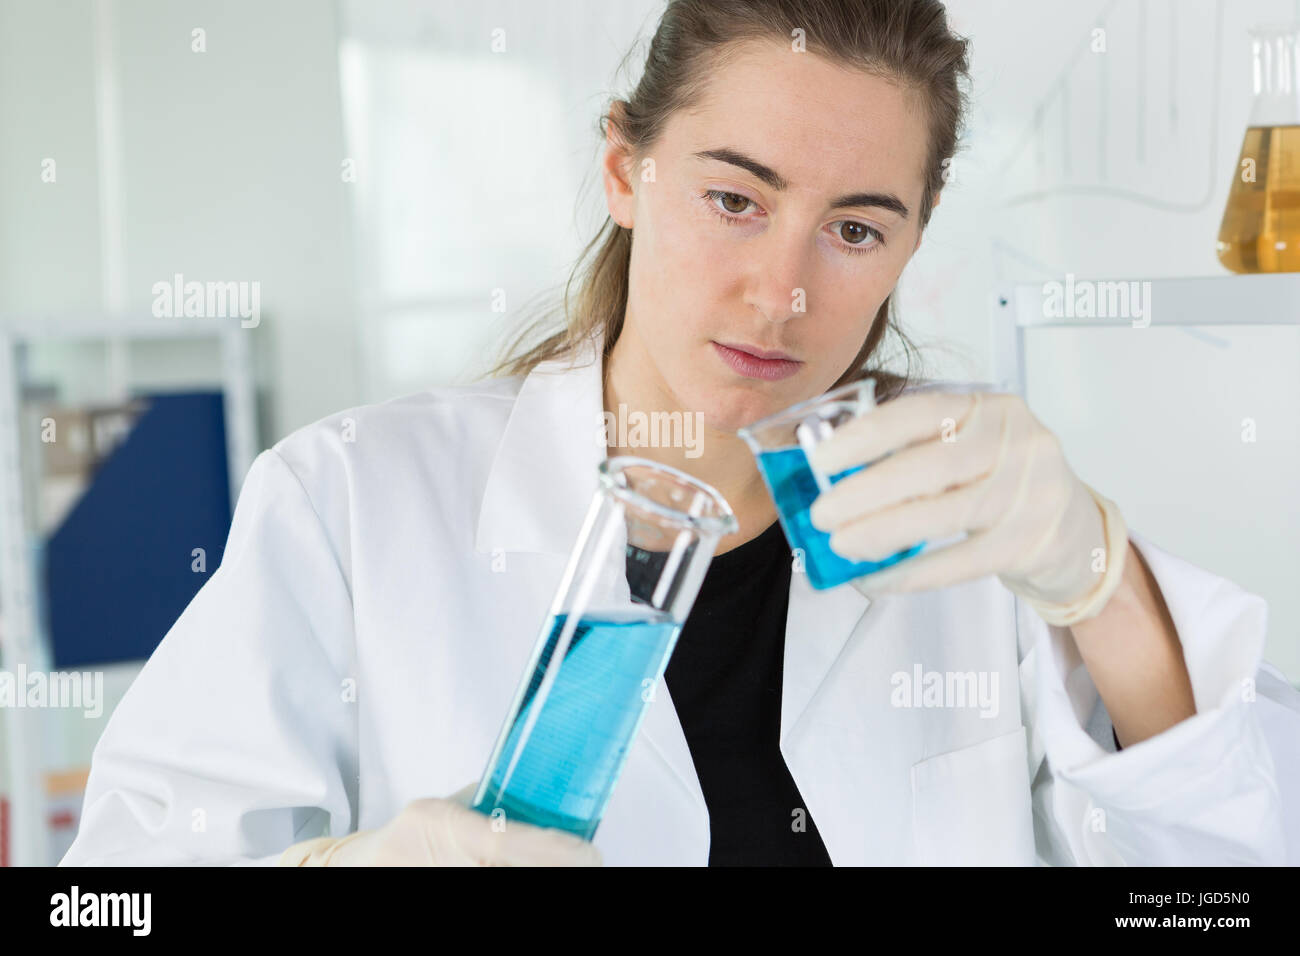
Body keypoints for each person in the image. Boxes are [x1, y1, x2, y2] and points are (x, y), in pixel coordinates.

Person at [63, 0, 1297, 867]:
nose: (780, 289)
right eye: (732, 197)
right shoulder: (352, 500)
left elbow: (1217, 874)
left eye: (855, 228)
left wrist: (1095, 574)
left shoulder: (972, 513)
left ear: (911, 246)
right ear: (622, 169)